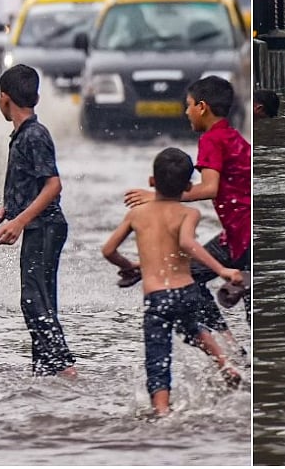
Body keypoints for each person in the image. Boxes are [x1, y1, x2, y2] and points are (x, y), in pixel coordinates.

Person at [102, 147, 244, 416]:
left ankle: (162, 411)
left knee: (158, 355)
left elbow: (108, 250)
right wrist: (223, 270)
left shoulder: (137, 214)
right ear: (189, 186)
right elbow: (187, 244)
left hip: (157, 298)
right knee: (193, 327)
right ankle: (224, 363)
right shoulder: (188, 214)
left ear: (151, 182)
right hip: (186, 290)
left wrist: (129, 266)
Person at [124, 76, 251, 339]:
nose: (186, 112)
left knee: (191, 277)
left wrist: (157, 195)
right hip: (239, 231)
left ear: (202, 107)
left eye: (188, 105)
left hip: (242, 232)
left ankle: (229, 346)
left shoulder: (212, 139)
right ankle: (236, 352)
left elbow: (209, 188)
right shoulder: (231, 135)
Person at [0, 65, 76, 377]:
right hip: (39, 224)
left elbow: (53, 185)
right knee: (40, 300)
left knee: (33, 299)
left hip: (46, 227)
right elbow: (32, 185)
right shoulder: (25, 135)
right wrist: (7, 211)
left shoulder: (35, 135)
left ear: (4, 99)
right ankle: (45, 370)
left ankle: (64, 369)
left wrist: (19, 222)